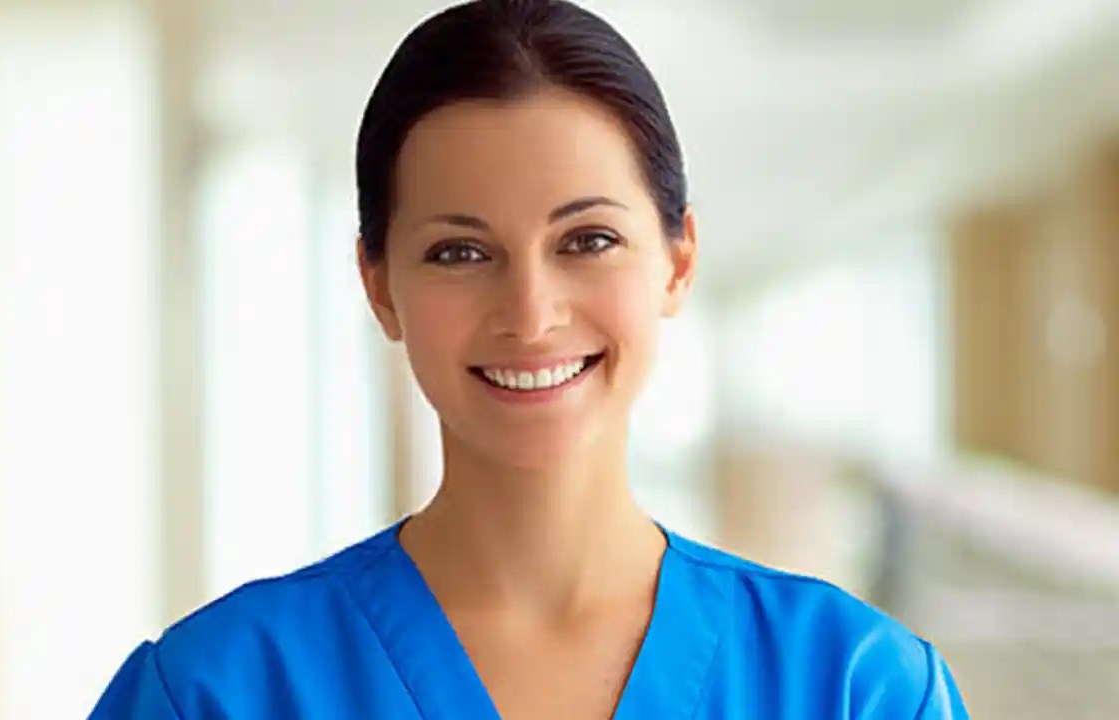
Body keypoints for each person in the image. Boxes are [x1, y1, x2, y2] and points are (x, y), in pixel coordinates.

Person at [89, 0, 969, 717]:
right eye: (459, 253)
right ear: (378, 285)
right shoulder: (217, 694)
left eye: (587, 240)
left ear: (679, 261)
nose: (531, 313)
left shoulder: (856, 689)